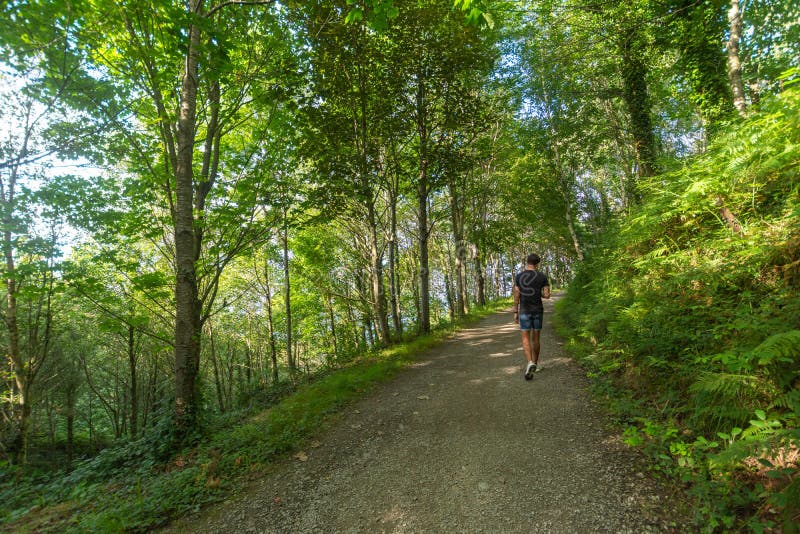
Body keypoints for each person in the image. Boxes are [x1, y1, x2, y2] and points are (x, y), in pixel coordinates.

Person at [513, 253, 550, 379]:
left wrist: (515, 312)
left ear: (527, 262)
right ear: (537, 263)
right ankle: (535, 363)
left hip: (524, 310)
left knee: (525, 337)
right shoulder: (542, 276)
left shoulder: (519, 276)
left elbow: (517, 295)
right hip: (538, 310)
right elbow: (547, 295)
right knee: (536, 338)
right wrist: (537, 293)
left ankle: (529, 362)